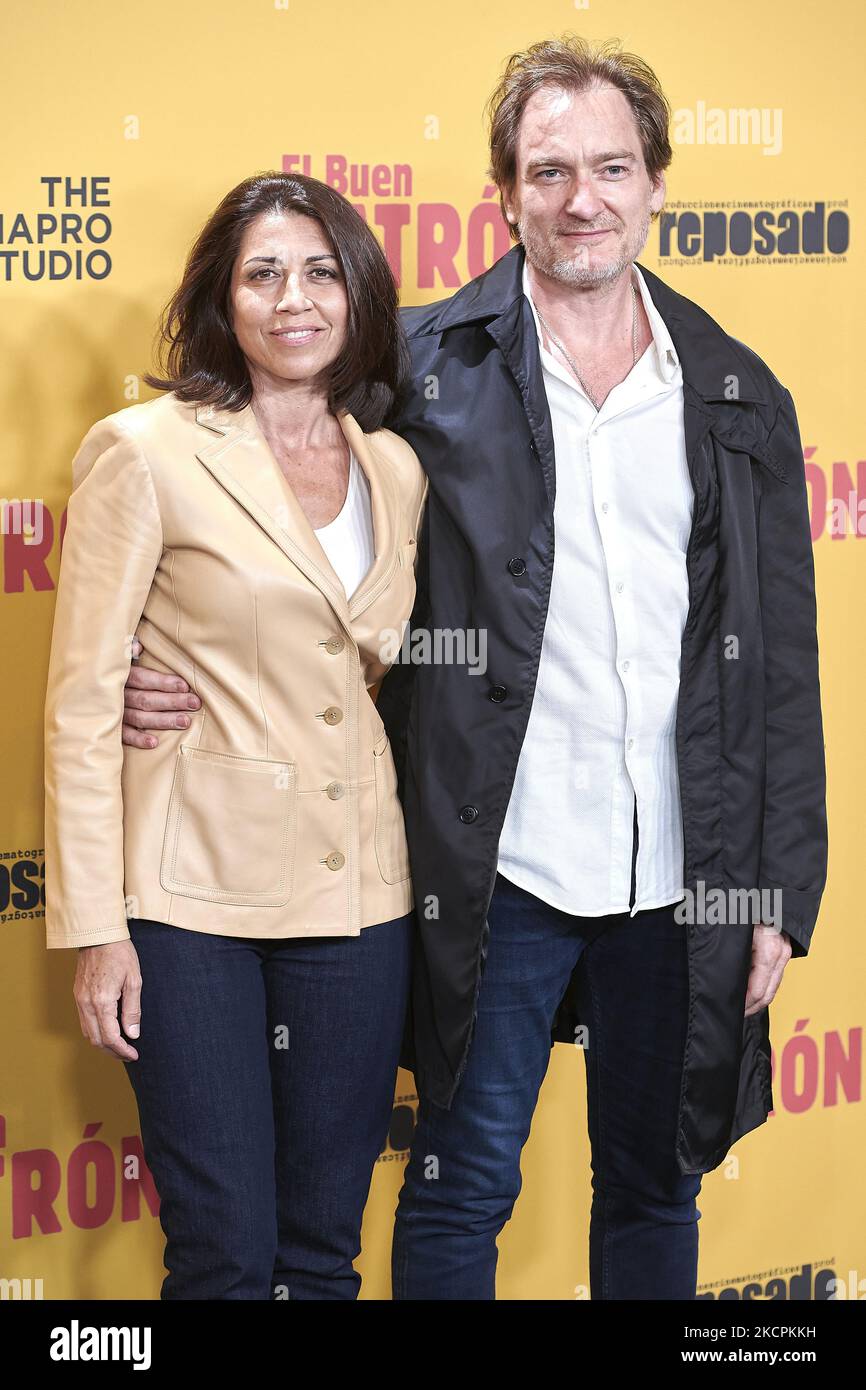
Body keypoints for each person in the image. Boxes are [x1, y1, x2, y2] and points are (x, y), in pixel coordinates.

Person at [122, 37, 827, 1301]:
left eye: (610, 167)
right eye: (546, 170)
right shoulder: (426, 374)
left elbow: (777, 665)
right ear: (504, 191)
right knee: (458, 1184)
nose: (581, 199)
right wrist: (153, 657)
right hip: (494, 863)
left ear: (655, 182)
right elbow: (289, 544)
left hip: (684, 868)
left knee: (658, 1180)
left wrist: (775, 887)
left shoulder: (734, 392)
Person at [44, 171, 427, 1300]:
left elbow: (364, 672)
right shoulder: (147, 449)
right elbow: (80, 700)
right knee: (222, 1254)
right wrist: (94, 929)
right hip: (189, 903)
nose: (292, 298)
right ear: (223, 296)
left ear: (356, 294)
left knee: (323, 1252)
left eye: (318, 271)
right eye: (261, 273)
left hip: (359, 896)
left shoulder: (392, 468)